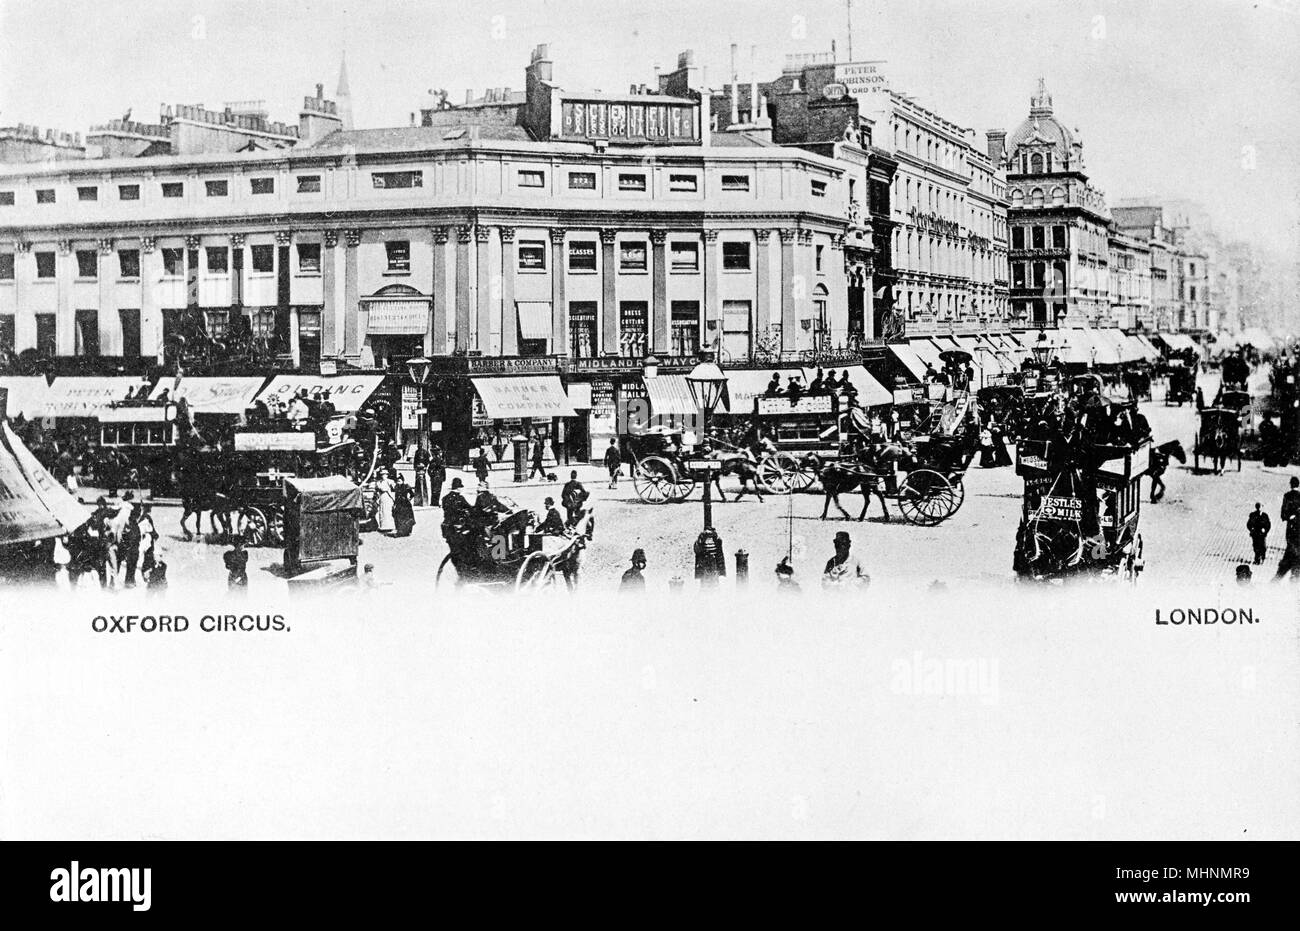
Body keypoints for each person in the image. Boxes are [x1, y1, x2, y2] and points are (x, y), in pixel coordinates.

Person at [392, 472, 416, 537]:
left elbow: (412, 494)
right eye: (397, 481)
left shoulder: (406, 486)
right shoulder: (396, 487)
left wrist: (409, 499)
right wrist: (394, 504)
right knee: (398, 518)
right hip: (399, 504)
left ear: (402, 481)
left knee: (406, 518)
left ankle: (407, 531)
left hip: (405, 504)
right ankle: (400, 531)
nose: (398, 482)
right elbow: (396, 496)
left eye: (399, 481)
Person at [374, 469, 396, 534]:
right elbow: (377, 490)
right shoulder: (379, 482)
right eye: (382, 474)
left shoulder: (390, 481)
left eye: (385, 474)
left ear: (387, 475)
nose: (384, 476)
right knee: (382, 511)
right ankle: (383, 526)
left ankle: (390, 526)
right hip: (382, 497)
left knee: (388, 511)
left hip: (388, 497)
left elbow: (394, 488)